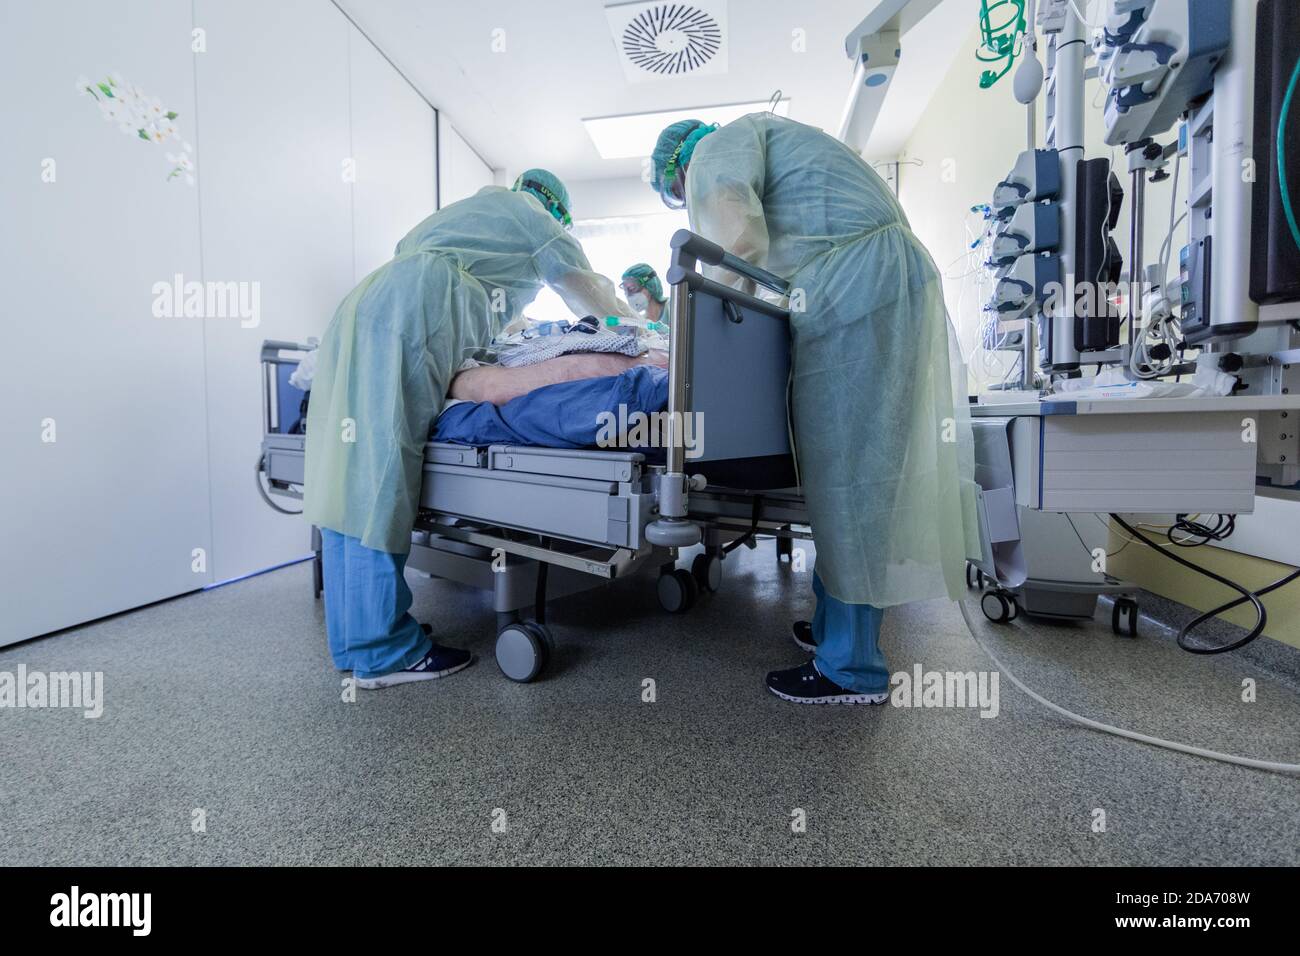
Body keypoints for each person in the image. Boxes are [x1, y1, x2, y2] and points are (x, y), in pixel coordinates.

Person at [650, 115, 978, 705]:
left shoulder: (713, 152)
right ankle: (836, 630)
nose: (686, 200)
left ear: (679, 169)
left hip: (852, 289)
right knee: (854, 476)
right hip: (874, 281)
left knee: (848, 478)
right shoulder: (769, 140)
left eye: (679, 196)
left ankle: (850, 668)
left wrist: (694, 337)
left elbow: (737, 245)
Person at [304, 169, 636, 689]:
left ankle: (359, 639)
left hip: (362, 307)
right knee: (381, 467)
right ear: (555, 208)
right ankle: (384, 652)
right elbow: (586, 290)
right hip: (411, 312)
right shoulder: (532, 218)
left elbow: (496, 316)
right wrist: (636, 330)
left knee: (352, 466)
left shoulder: (466, 220)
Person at [620, 263, 668, 328]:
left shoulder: (673, 307)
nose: (629, 295)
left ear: (650, 285)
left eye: (632, 288)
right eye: (625, 290)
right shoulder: (641, 323)